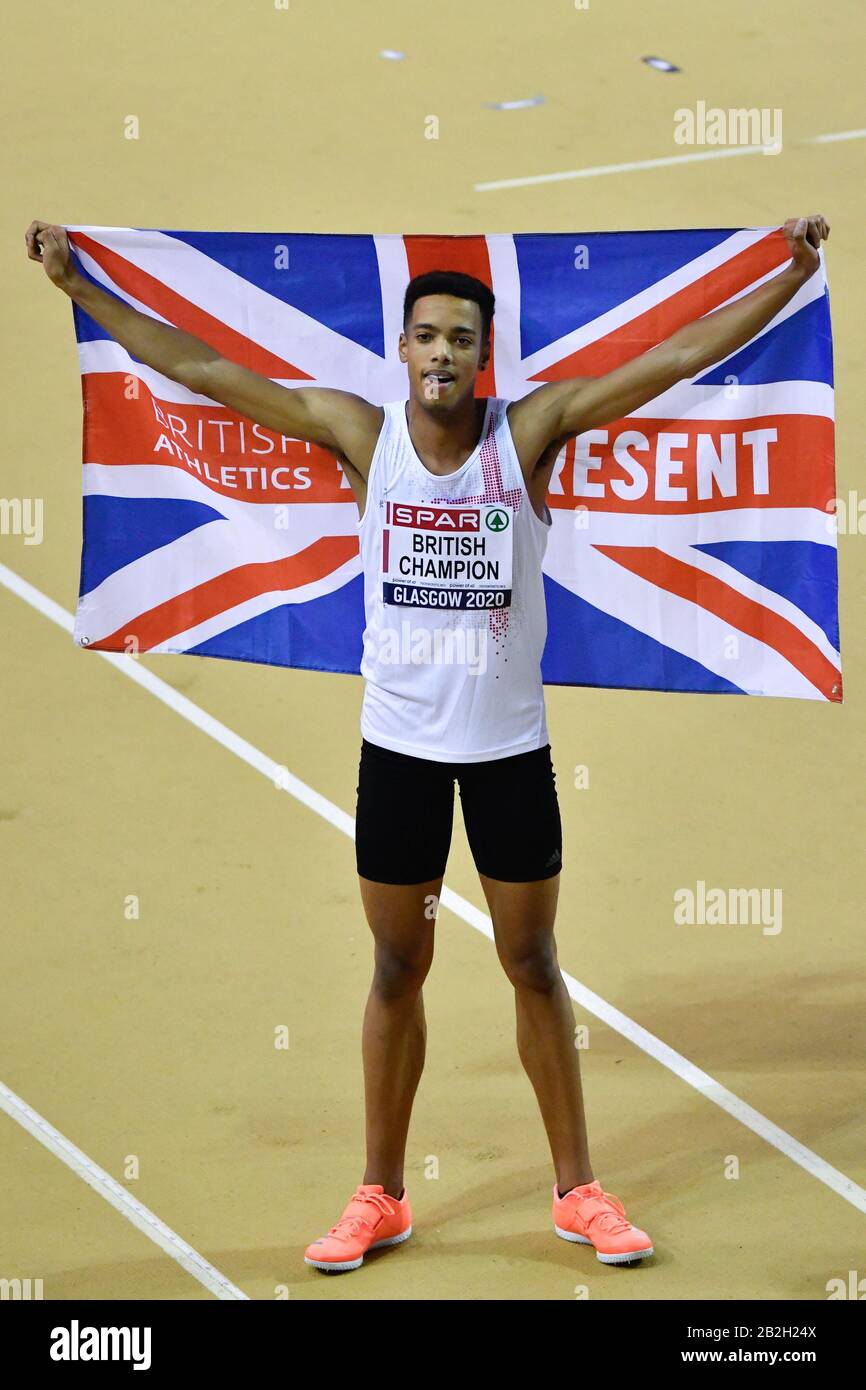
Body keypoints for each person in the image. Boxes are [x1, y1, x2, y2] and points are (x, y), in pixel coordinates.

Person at [27, 214, 830, 1272]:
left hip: (507, 755)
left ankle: (579, 1190)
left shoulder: (529, 430)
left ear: (480, 355)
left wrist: (788, 273)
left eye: (460, 337)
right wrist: (76, 285)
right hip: (398, 753)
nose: (442, 352)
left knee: (531, 961)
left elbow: (674, 357)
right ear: (400, 349)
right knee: (397, 961)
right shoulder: (361, 434)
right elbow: (200, 365)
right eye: (426, 336)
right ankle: (379, 1196)